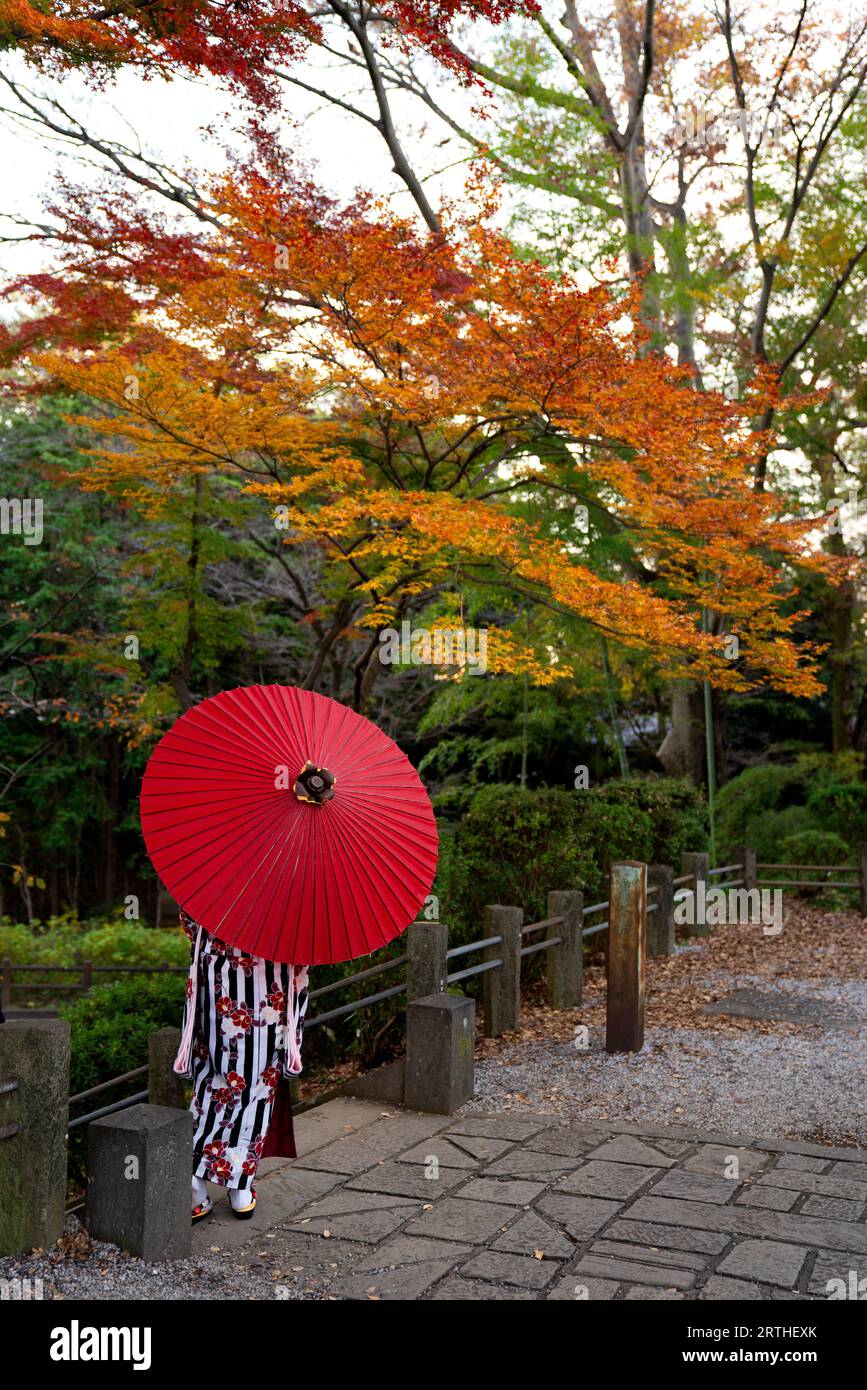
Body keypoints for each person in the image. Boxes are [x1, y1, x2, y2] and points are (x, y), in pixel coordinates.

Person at [173, 907, 310, 1222]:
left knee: (213, 1082)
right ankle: (239, 1190)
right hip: (268, 994)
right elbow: (304, 953)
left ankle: (194, 1185)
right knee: (255, 1089)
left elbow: (190, 923)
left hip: (215, 984)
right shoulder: (294, 886)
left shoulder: (219, 870)